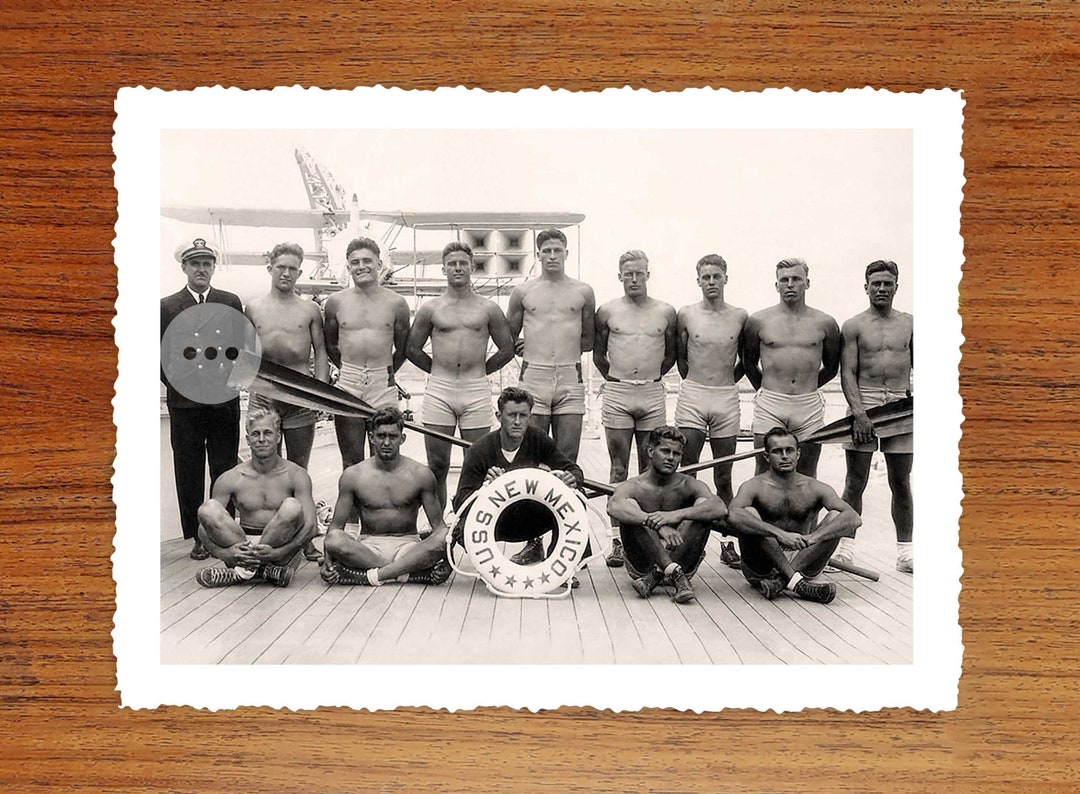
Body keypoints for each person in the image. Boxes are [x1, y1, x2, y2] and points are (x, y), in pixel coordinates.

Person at [406, 241, 515, 508]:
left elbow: (507, 348)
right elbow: (412, 348)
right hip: (439, 389)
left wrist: (481, 369)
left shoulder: (488, 308)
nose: (457, 268)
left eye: (462, 263)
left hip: (475, 390)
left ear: (471, 267)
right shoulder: (431, 308)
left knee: (476, 464)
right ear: (443, 269)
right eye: (452, 264)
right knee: (437, 464)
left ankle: (467, 526)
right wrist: (436, 369)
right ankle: (437, 529)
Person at [161, 238, 244, 560]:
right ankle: (197, 535)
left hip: (223, 401)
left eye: (207, 263)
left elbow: (241, 348)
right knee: (189, 468)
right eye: (195, 263)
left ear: (213, 267)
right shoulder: (167, 306)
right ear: (184, 267)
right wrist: (178, 384)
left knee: (224, 468)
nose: (201, 269)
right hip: (184, 404)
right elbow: (159, 354)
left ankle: (223, 532)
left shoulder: (229, 301)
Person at [593, 250, 677, 568]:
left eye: (639, 273)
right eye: (627, 273)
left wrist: (650, 377)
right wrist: (617, 380)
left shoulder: (665, 311)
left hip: (652, 393)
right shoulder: (608, 311)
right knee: (618, 470)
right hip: (617, 391)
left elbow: (670, 355)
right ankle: (617, 541)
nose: (633, 279)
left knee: (650, 470)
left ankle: (647, 539)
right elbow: (600, 356)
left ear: (647, 274)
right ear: (619, 276)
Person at [453, 387, 584, 573]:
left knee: (576, 496)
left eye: (523, 415)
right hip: (496, 521)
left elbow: (572, 469)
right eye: (511, 415)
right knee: (462, 527)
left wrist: (573, 478)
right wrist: (485, 489)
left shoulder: (538, 439)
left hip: (531, 518)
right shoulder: (480, 450)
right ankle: (491, 568)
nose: (517, 422)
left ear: (530, 417)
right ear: (499, 416)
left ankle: (562, 566)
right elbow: (460, 502)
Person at [727, 427, 862, 604]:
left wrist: (814, 538)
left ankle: (783, 582)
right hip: (762, 565)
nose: (784, 456)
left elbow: (853, 518)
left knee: (837, 515)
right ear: (767, 456)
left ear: (798, 454)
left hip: (804, 558)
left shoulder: (814, 487)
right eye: (777, 451)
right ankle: (796, 582)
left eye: (789, 450)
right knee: (749, 513)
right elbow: (733, 514)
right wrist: (779, 534)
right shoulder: (754, 486)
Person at [838, 260, 914, 573]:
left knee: (901, 481)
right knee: (855, 482)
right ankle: (844, 549)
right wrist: (859, 413)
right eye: (875, 283)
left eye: (887, 283)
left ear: (897, 285)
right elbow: (848, 372)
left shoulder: (910, 323)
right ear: (866, 286)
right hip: (864, 403)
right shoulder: (854, 325)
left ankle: (906, 552)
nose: (881, 289)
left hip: (899, 405)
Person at [320, 408, 452, 587]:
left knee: (445, 536)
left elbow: (438, 527)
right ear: (372, 437)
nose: (387, 442)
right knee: (334, 538)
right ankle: (407, 573)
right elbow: (335, 528)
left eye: (393, 436)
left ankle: (371, 576)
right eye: (381, 436)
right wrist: (328, 561)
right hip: (368, 546)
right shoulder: (353, 475)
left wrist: (448, 563)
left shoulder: (420, 474)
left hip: (408, 545)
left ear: (402, 439)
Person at [673, 254, 747, 569]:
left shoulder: (741, 316)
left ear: (726, 278)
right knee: (688, 471)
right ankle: (686, 538)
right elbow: (680, 357)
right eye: (706, 277)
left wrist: (727, 381)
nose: (711, 282)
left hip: (726, 396)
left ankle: (728, 542)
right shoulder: (686, 314)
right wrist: (698, 382)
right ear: (698, 280)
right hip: (693, 393)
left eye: (717, 276)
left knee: (724, 473)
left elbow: (747, 357)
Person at [193, 409, 318, 588]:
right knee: (207, 509)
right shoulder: (231, 477)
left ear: (278, 437)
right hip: (241, 548)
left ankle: (242, 574)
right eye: (255, 434)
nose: (261, 439)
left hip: (280, 554)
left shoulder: (296, 474)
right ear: (248, 439)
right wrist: (225, 553)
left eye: (267, 433)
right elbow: (204, 528)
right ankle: (263, 572)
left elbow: (311, 526)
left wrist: (279, 552)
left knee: (292, 506)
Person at [606, 426, 728, 605]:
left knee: (702, 508)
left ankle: (659, 574)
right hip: (641, 566)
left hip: (682, 559)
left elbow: (719, 508)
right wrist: (656, 523)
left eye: (676, 454)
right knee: (631, 508)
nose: (670, 458)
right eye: (665, 451)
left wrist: (675, 515)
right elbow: (614, 506)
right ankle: (673, 572)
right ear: (650, 451)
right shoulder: (634, 485)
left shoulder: (688, 484)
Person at [742, 257, 840, 477]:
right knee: (764, 473)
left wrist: (808, 385)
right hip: (771, 403)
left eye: (796, 279)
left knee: (806, 475)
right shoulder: (758, 321)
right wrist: (768, 389)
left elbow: (832, 368)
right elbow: (749, 363)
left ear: (807, 282)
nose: (790, 284)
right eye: (784, 280)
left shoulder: (825, 323)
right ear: (776, 285)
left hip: (808, 405)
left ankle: (807, 514)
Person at [506, 228, 595, 464]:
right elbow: (508, 336)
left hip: (569, 375)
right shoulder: (523, 291)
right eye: (547, 251)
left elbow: (589, 339)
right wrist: (521, 345)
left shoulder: (583, 291)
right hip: (534, 375)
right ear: (538, 255)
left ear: (566, 253)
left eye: (557, 250)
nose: (552, 255)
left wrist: (561, 342)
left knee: (567, 457)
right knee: (530, 454)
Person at [323, 237, 411, 468]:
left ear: (379, 263)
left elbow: (403, 348)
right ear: (348, 266)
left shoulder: (397, 303)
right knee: (351, 460)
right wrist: (347, 370)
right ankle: (353, 505)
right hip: (348, 382)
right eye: (354, 262)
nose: (361, 266)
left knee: (384, 457)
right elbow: (331, 345)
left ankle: (383, 504)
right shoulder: (335, 302)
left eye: (366, 261)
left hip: (382, 384)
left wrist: (387, 372)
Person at [244, 242, 330, 470]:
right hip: (263, 395)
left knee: (299, 465)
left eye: (293, 269)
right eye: (281, 267)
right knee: (264, 463)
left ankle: (299, 505)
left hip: (300, 394)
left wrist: (320, 391)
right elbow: (246, 352)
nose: (286, 273)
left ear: (300, 273)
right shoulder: (253, 308)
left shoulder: (309, 309)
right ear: (269, 268)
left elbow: (321, 351)